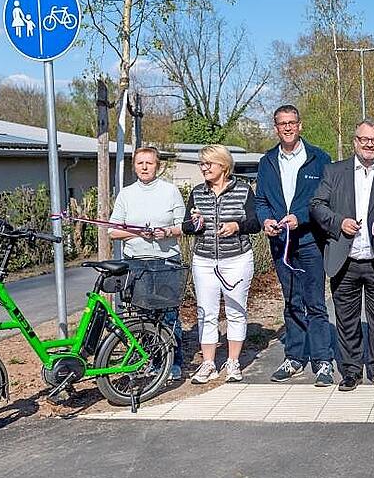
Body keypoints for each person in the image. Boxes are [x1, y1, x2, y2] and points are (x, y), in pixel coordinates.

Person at [309, 119, 374, 391]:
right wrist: (338, 222)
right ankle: (351, 370)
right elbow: (316, 205)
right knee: (347, 319)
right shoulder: (334, 171)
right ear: (354, 141)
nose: (369, 144)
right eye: (364, 139)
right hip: (345, 259)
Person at [256, 105, 336, 387]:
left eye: (292, 123)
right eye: (282, 123)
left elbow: (326, 202)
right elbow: (261, 201)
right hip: (280, 243)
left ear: (300, 125)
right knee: (291, 302)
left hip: (310, 241)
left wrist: (300, 218)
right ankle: (294, 358)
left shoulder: (319, 159)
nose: (287, 127)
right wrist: (265, 221)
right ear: (275, 127)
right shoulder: (267, 162)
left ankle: (323, 361)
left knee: (315, 302)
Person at [181, 145, 261, 384]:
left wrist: (236, 226)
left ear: (223, 166)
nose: (204, 168)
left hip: (236, 259)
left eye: (208, 164)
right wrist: (196, 223)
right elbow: (187, 227)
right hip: (204, 260)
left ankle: (233, 362)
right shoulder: (197, 192)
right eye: (201, 164)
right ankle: (208, 364)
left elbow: (255, 224)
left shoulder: (244, 190)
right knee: (206, 312)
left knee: (236, 310)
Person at [108, 146, 187, 379]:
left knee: (168, 314)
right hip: (136, 263)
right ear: (134, 166)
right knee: (143, 315)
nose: (144, 167)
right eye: (140, 163)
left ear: (157, 166)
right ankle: (151, 361)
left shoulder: (170, 191)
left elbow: (183, 226)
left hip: (166, 262)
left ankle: (173, 362)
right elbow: (113, 231)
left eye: (149, 163)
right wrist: (138, 234)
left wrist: (166, 232)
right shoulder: (126, 194)